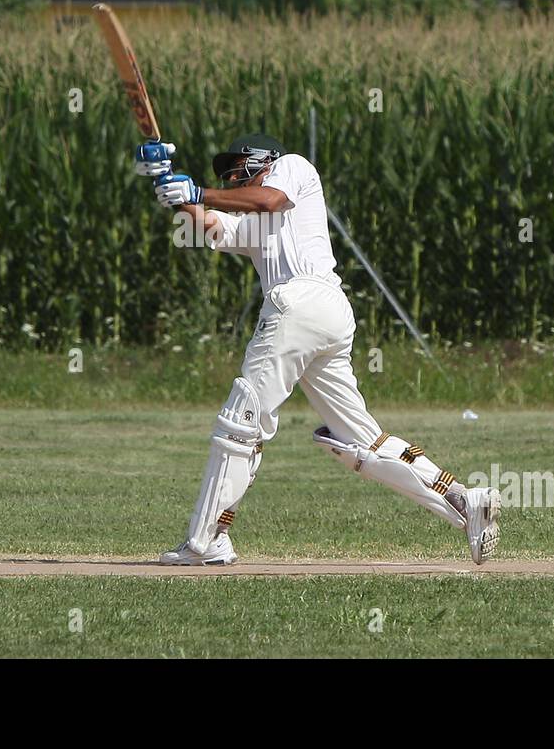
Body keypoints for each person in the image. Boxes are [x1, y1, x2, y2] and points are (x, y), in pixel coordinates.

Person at [137, 134, 500, 565]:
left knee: (241, 421)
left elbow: (269, 200)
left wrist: (198, 190)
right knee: (361, 441)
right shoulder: (249, 217)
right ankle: (464, 500)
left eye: (237, 167)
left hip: (300, 303)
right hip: (325, 315)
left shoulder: (292, 166)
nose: (231, 176)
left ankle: (205, 541)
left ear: (261, 159)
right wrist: (169, 186)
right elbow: (209, 224)